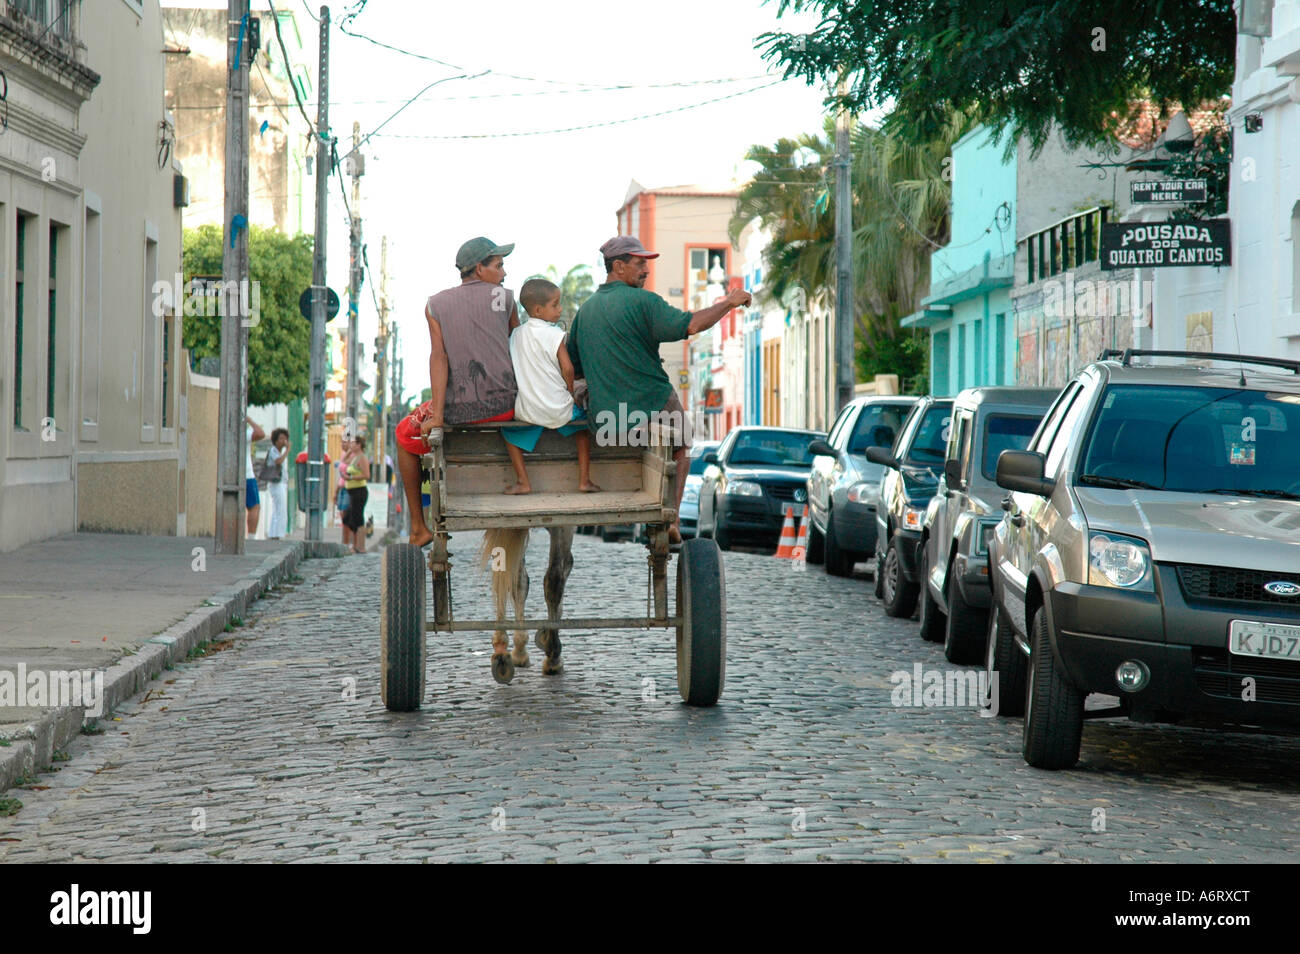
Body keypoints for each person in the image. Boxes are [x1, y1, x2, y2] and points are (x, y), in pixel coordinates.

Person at [567, 236, 751, 544]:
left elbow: (573, 366)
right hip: (652, 404)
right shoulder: (644, 302)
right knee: (683, 444)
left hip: (604, 422)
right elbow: (690, 326)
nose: (646, 270)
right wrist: (728, 303)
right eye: (640, 264)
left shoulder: (584, 312)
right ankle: (671, 520)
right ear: (618, 266)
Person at [396, 236, 521, 547]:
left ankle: (418, 527)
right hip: (507, 405)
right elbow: (519, 348)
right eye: (498, 265)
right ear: (479, 269)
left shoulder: (435, 304)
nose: (503, 273)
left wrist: (438, 414)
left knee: (402, 433)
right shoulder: (505, 298)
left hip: (461, 411)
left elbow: (439, 357)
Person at [500, 277, 599, 495]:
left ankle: (523, 482)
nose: (560, 309)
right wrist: (571, 391)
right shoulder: (554, 334)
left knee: (508, 434)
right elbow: (568, 368)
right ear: (537, 309)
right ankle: (584, 480)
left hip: (527, 411)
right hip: (560, 409)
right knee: (582, 429)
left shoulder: (515, 335)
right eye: (555, 305)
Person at [341, 434, 370, 553]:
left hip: (359, 491)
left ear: (359, 445)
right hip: (352, 491)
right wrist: (349, 450)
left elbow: (366, 475)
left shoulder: (362, 458)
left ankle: (360, 546)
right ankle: (355, 545)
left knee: (358, 518)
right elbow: (344, 461)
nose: (350, 445)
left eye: (353, 443)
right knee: (349, 517)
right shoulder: (355, 457)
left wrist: (351, 477)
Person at [263, 428, 290, 539]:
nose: (283, 440)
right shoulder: (274, 451)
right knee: (280, 509)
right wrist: (287, 450)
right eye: (281, 438)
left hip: (281, 483)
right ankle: (277, 534)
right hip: (276, 483)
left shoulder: (278, 451)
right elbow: (278, 461)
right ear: (275, 440)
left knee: (279, 509)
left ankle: (275, 533)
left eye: (285, 438)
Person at [245, 416, 266, 536]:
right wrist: (249, 420)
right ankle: (251, 537)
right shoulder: (243, 433)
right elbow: (260, 433)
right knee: (254, 506)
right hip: (247, 475)